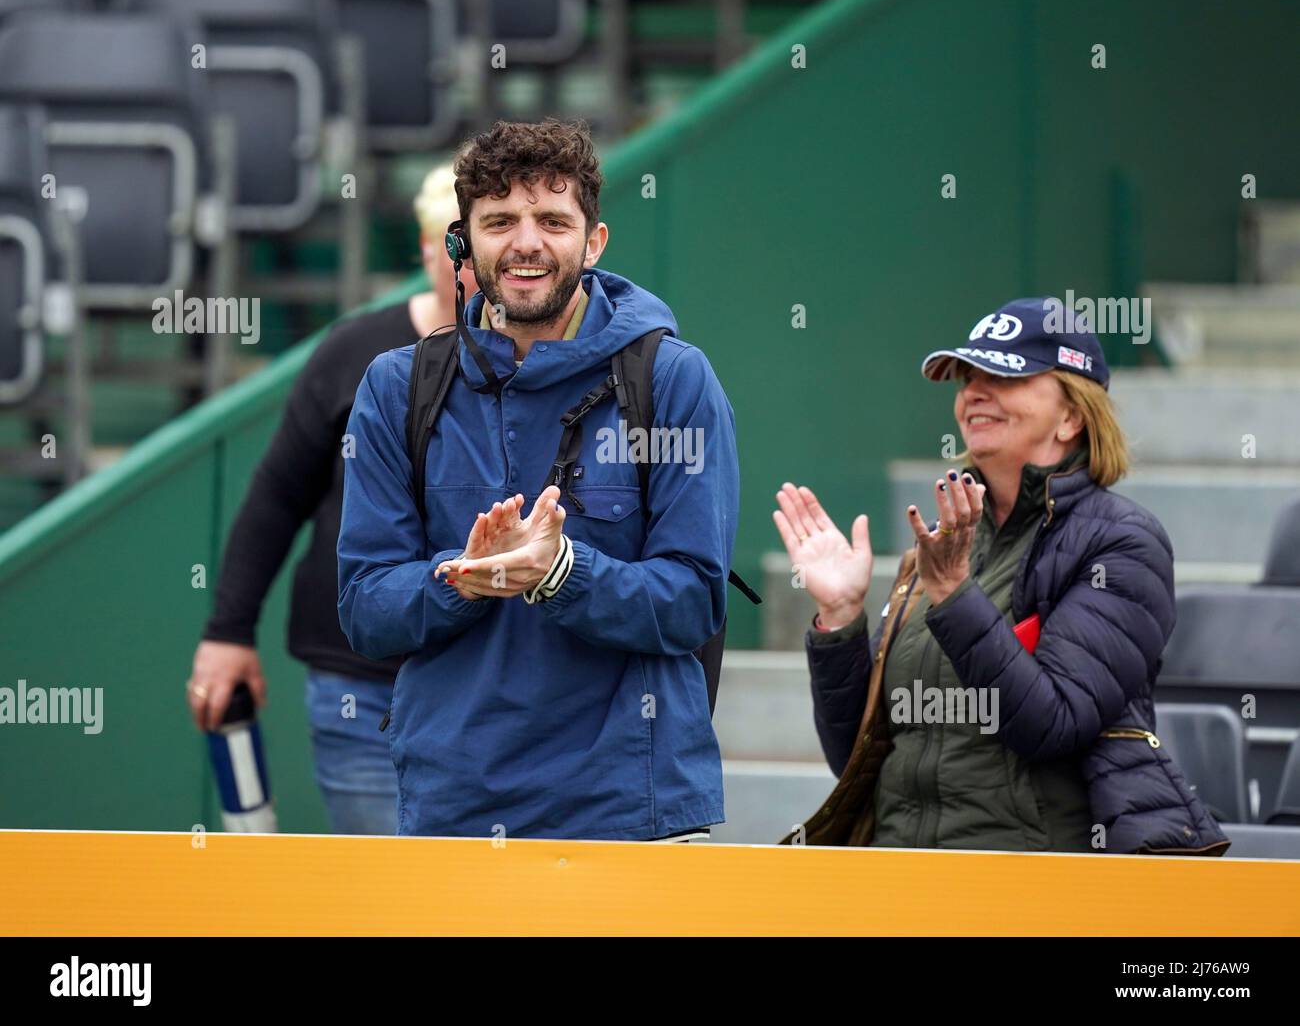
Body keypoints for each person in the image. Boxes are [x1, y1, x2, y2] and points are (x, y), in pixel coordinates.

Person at [336, 118, 738, 841]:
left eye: (553, 220)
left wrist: (563, 572)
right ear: (463, 239)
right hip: (452, 814)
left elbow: (692, 602)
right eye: (499, 221)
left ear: (594, 241)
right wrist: (462, 576)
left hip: (631, 815)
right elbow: (365, 610)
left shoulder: (672, 379)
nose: (526, 243)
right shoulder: (398, 387)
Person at [774, 298, 1225, 852]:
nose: (974, 392)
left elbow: (1051, 723)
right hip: (897, 873)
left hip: (1027, 881)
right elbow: (857, 759)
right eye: (968, 376)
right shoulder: (942, 547)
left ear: (1072, 416)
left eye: (1005, 376)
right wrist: (840, 618)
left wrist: (953, 594)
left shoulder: (1122, 541)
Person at [187, 165, 477, 835]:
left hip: (484, 689)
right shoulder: (354, 350)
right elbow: (278, 493)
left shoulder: (539, 360)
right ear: (427, 249)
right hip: (359, 684)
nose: (468, 263)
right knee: (384, 904)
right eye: (452, 242)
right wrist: (228, 631)